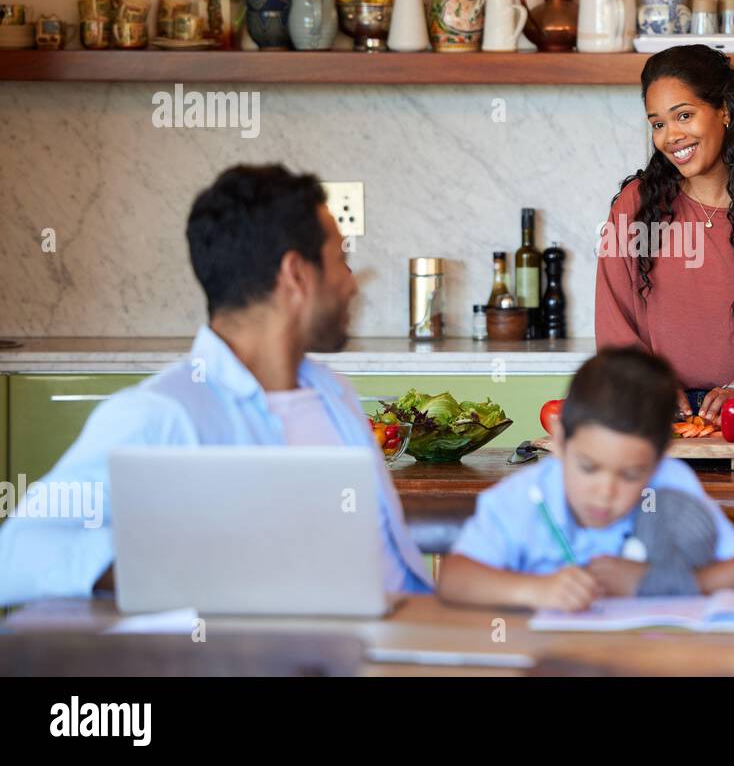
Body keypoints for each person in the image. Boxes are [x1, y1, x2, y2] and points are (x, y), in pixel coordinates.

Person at [0, 164, 431, 606]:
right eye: (341, 260)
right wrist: (190, 565)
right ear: (296, 275)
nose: (351, 284)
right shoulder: (166, 413)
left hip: (418, 628)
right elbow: (16, 554)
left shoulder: (332, 392)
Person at [439, 348, 734, 611]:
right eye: (589, 467)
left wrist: (653, 580)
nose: (605, 492)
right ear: (561, 441)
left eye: (631, 475)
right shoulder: (524, 495)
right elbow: (454, 578)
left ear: (659, 459)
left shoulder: (671, 483)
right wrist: (537, 590)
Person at [596, 44, 734, 423]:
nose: (670, 136)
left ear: (724, 111)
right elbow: (613, 318)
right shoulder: (633, 206)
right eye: (658, 123)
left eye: (684, 115)